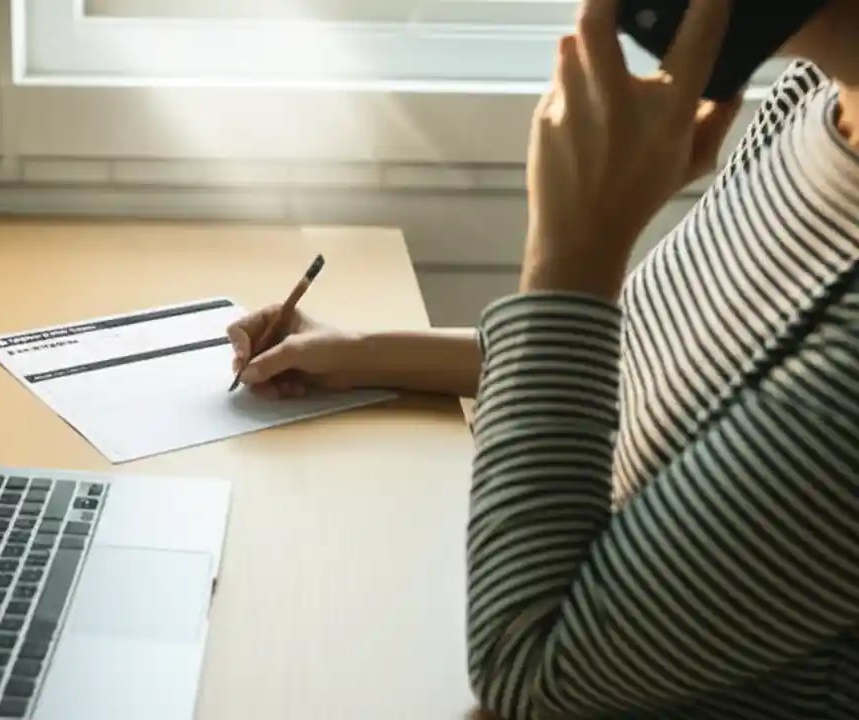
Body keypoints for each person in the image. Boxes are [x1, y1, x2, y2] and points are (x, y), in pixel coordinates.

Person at [226, 0, 859, 716]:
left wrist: (572, 249)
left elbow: (527, 669)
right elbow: (639, 361)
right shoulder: (816, 97)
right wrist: (364, 353)